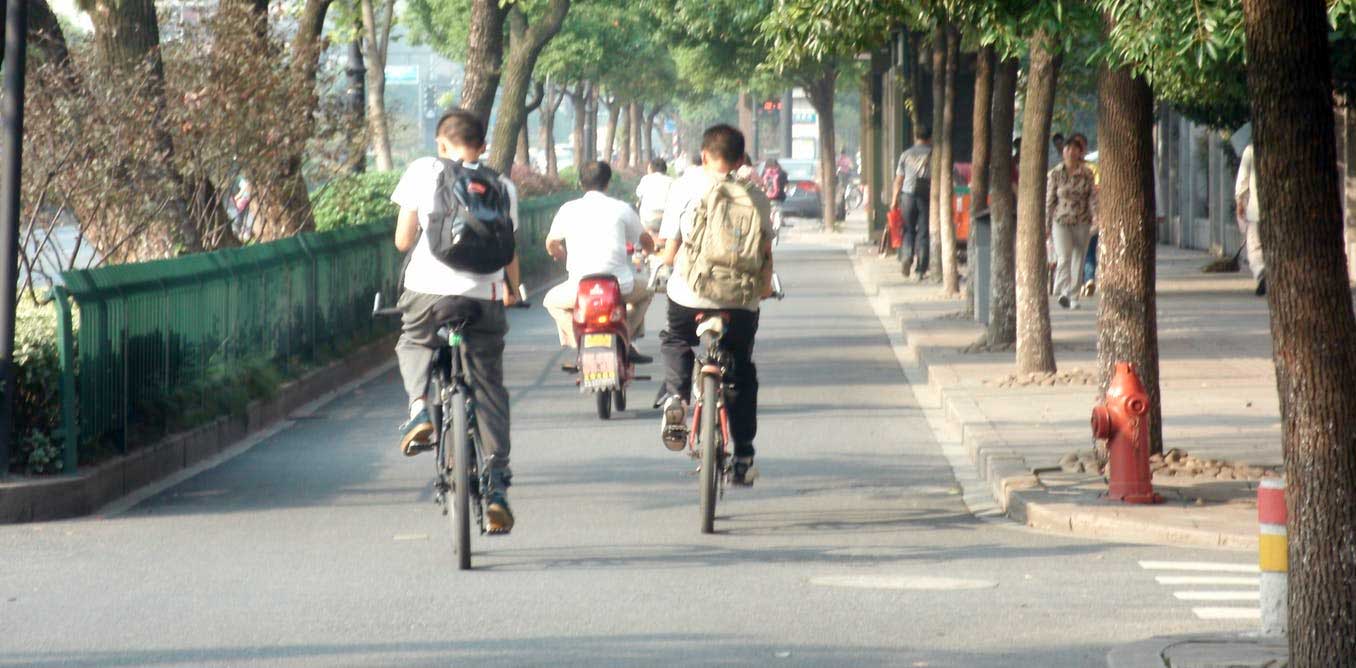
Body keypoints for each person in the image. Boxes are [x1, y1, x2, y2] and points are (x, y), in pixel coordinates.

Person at [390, 109, 521, 533]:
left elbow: (403, 240)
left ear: (441, 143)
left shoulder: (424, 170)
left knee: (413, 341)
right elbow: (509, 250)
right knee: (489, 388)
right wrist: (513, 291)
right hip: (483, 298)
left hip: (428, 293)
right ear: (483, 146)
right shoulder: (502, 186)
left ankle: (419, 411)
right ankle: (497, 484)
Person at [657, 124, 775, 486]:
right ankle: (743, 456)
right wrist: (765, 288)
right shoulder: (755, 195)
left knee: (676, 337)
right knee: (741, 370)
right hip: (739, 299)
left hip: (690, 294)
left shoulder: (685, 186)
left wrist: (663, 266)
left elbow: (670, 248)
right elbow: (766, 252)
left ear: (704, 154)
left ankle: (676, 395)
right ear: (741, 159)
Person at [543, 160, 655, 361]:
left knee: (551, 302)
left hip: (579, 288)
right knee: (648, 291)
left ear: (580, 184)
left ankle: (580, 342)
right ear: (608, 183)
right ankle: (626, 338)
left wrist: (558, 251)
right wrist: (649, 251)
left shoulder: (568, 209)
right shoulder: (622, 208)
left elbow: (551, 242)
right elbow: (645, 240)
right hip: (620, 286)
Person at [1045, 132, 1097, 309]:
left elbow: (1093, 197)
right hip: (1060, 221)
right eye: (1068, 148)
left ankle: (1074, 296)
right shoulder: (1055, 174)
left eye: (1075, 149)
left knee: (1078, 258)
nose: (1071, 152)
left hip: (1082, 220)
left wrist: (1097, 216)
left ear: (1080, 152)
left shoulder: (1087, 174)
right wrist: (1046, 223)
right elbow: (1050, 200)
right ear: (1063, 152)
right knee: (1063, 257)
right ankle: (1063, 291)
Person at [890, 127, 933, 279]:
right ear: (930, 137)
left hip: (907, 196)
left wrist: (894, 199)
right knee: (923, 232)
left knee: (907, 229)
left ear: (916, 136)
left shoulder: (905, 155)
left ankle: (907, 256)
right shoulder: (932, 154)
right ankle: (920, 270)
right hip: (926, 197)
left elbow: (899, 180)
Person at [1235, 143, 1266, 296]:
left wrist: (1240, 201)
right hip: (1283, 213)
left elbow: (1242, 179)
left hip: (1256, 211)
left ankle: (1262, 273)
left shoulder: (1250, 150)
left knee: (1254, 247)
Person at [635, 157, 674, 236]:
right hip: (667, 221)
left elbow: (638, 194)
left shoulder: (645, 179)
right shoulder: (671, 181)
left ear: (650, 168)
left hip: (647, 220)